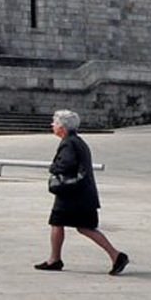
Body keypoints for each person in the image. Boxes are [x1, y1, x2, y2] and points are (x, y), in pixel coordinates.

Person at [35, 109, 129, 276]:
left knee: (65, 223)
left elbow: (65, 165)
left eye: (55, 123)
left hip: (72, 193)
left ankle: (115, 255)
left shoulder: (69, 143)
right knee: (79, 226)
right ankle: (55, 258)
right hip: (81, 193)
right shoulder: (77, 141)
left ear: (62, 127)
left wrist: (53, 168)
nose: (52, 126)